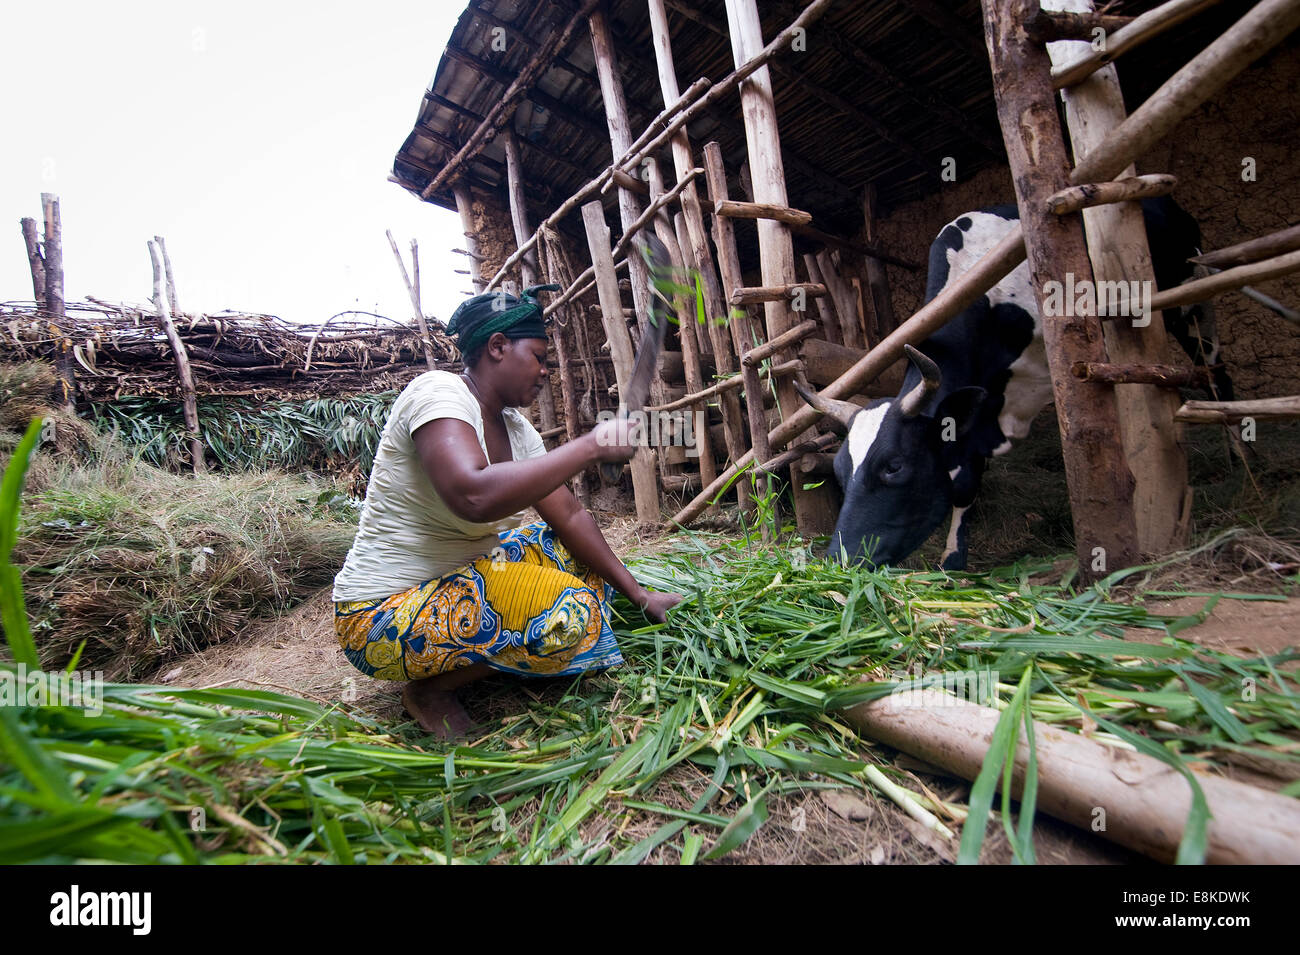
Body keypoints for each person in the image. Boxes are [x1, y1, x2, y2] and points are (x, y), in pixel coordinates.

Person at [332, 285, 683, 738]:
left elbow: (571, 516)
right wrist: (592, 445)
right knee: (572, 614)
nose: (544, 373)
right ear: (497, 347)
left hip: (457, 585)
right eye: (538, 357)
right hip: (380, 617)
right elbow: (472, 496)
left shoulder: (518, 431)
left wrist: (639, 595)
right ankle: (430, 690)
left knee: (579, 560)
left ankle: (495, 649)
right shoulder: (438, 394)